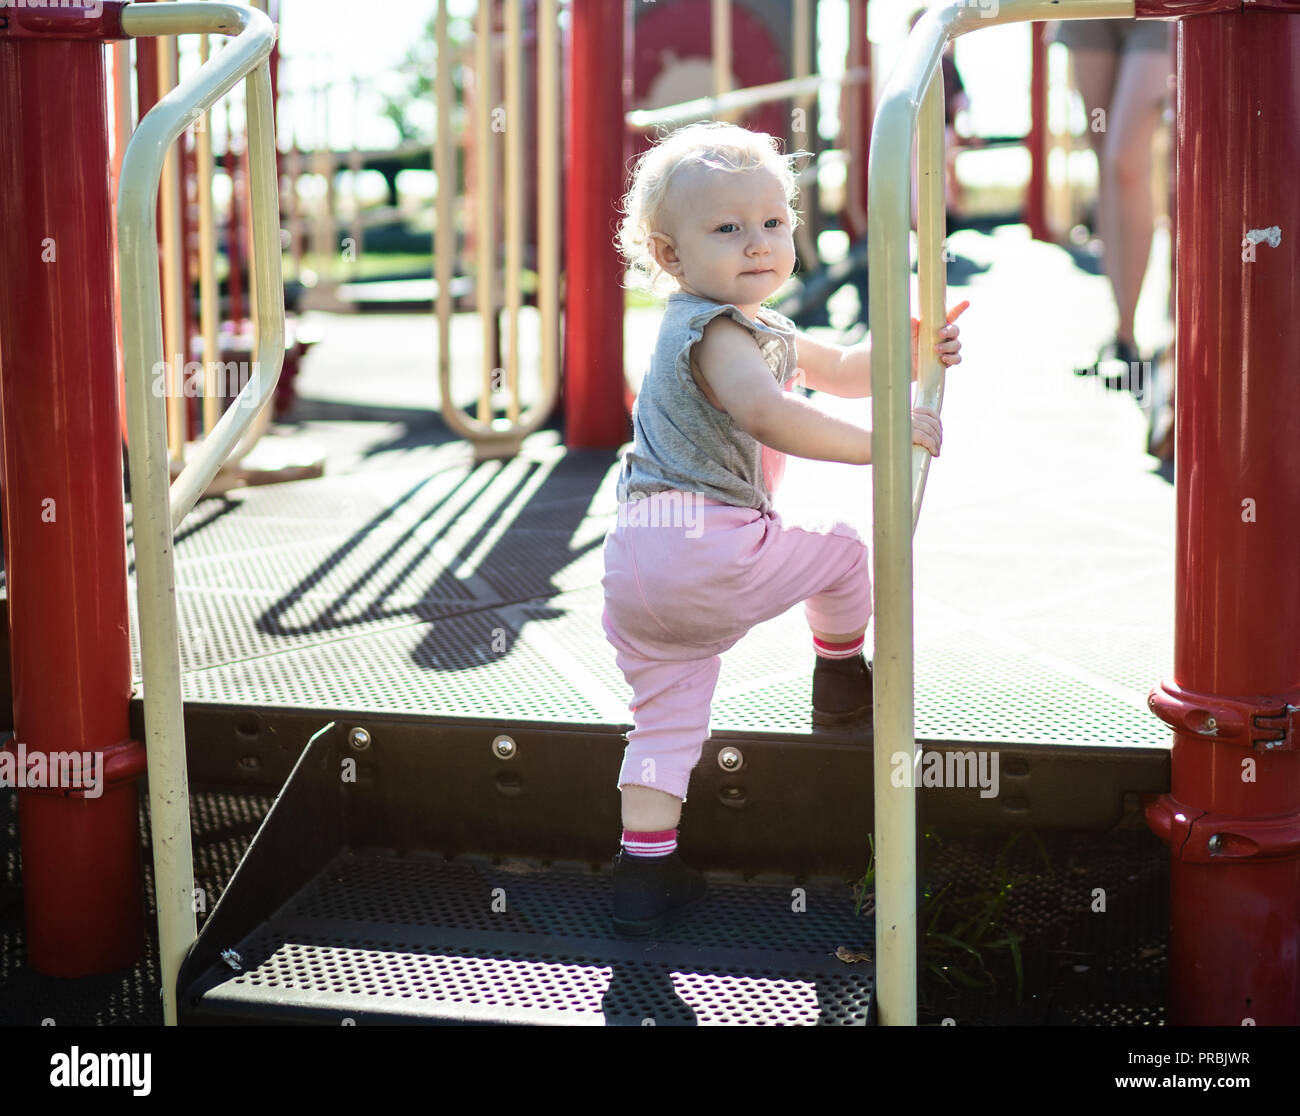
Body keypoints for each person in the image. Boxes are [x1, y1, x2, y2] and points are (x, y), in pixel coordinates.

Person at [603, 121, 968, 936]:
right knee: (842, 546)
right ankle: (840, 681)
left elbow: (834, 367)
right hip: (706, 542)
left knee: (664, 718)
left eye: (772, 222)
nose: (758, 243)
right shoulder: (714, 332)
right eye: (727, 229)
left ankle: (645, 875)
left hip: (635, 560)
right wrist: (883, 444)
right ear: (670, 256)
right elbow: (770, 414)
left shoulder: (754, 327)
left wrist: (908, 350)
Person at [1050, 17, 1173, 389]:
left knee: (1124, 160)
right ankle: (1123, 333)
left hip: (1160, 13)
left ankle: (1145, 331)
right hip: (1088, 10)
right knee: (1105, 158)